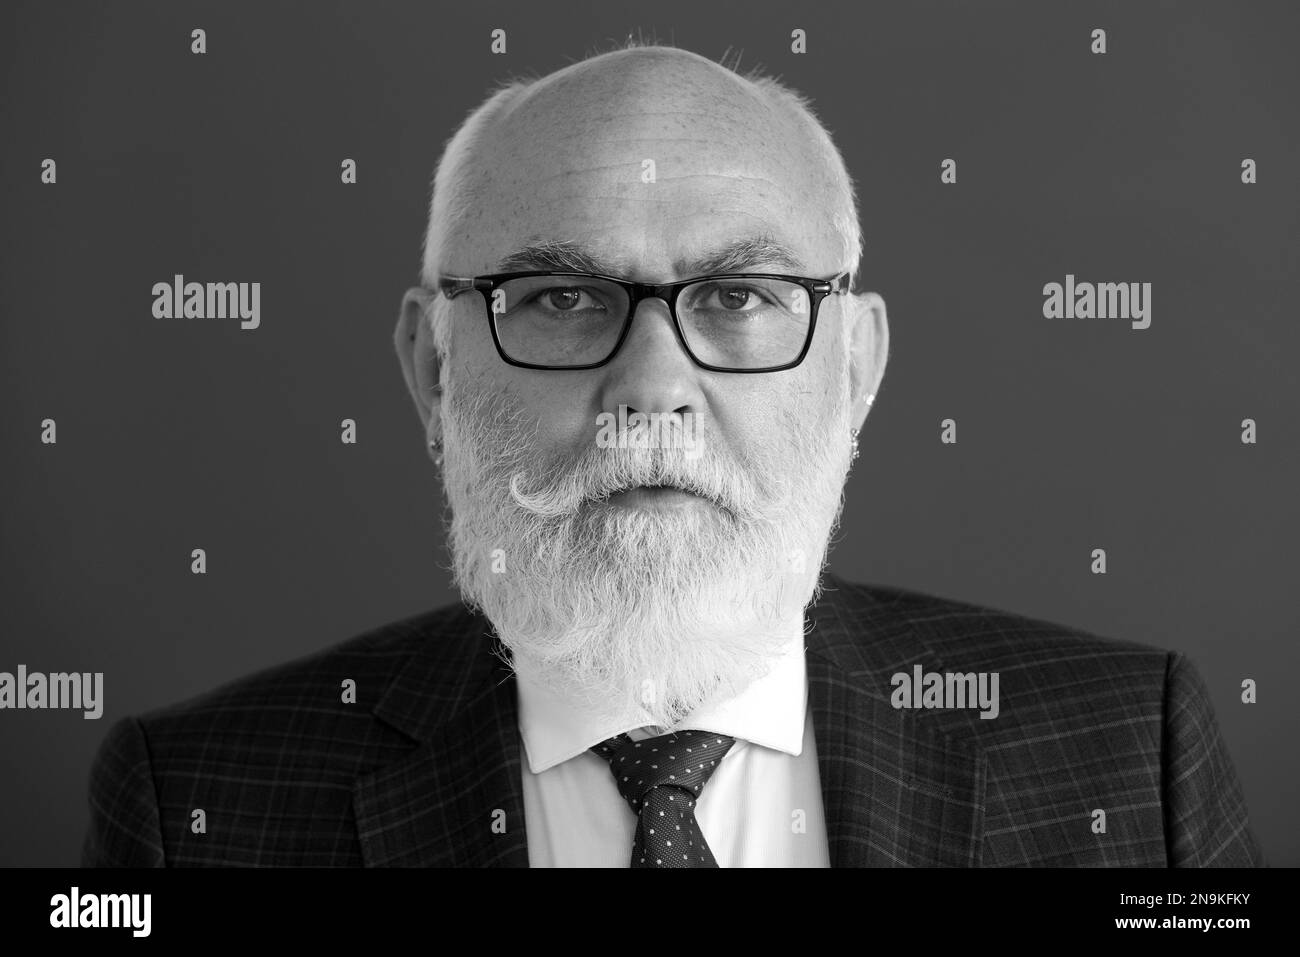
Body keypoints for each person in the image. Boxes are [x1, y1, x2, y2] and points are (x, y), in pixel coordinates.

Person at [82, 42, 1262, 868]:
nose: (649, 393)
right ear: (433, 369)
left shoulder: (1126, 755)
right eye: (556, 299)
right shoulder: (191, 804)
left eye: (740, 295)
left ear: (854, 368)